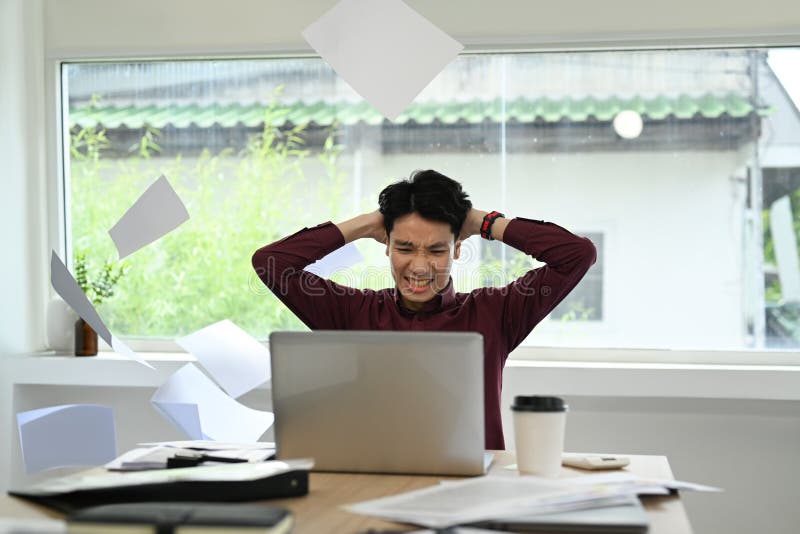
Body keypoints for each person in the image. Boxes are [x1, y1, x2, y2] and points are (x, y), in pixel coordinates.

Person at [252, 169, 596, 449]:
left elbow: (576, 255)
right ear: (386, 245)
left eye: (436, 250)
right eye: (404, 247)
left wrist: (482, 222)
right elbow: (271, 263)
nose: (419, 266)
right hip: (375, 482)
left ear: (457, 250)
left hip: (473, 488)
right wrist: (367, 223)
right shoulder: (353, 313)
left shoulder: (495, 312)